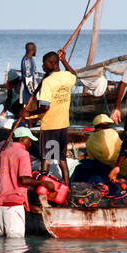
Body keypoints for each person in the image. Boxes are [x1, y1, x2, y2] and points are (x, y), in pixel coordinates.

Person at [30, 50, 76, 181]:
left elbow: (45, 107)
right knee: (61, 158)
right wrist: (64, 61)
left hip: (50, 125)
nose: (43, 67)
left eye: (44, 64)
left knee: (47, 157)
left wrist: (29, 113)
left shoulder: (48, 81)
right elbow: (73, 74)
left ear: (52, 64)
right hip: (63, 125)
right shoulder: (67, 76)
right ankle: (67, 184)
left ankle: (44, 183)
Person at [0, 126, 39, 238]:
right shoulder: (23, 154)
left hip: (1, 206)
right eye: (29, 140)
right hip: (14, 205)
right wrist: (44, 183)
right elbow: (24, 179)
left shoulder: (4, 153)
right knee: (16, 247)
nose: (30, 144)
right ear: (22, 139)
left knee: (3, 248)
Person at [18, 42, 39, 108]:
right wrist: (33, 93)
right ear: (33, 50)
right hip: (28, 95)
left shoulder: (31, 60)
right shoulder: (27, 61)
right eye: (35, 49)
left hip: (32, 93)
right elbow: (28, 78)